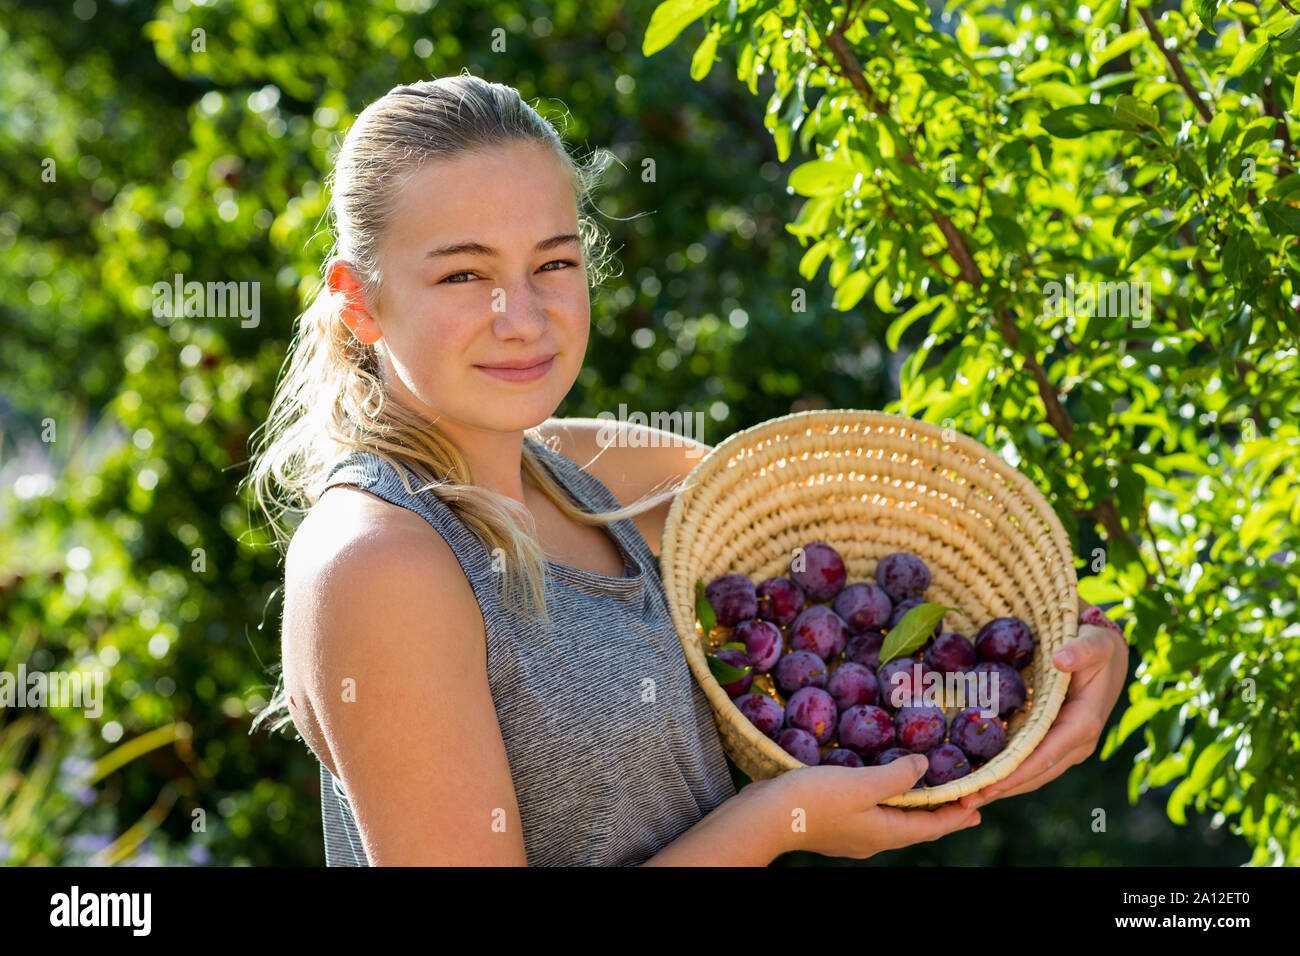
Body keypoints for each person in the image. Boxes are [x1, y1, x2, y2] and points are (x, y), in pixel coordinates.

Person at [245, 73, 1130, 866]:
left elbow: (902, 542)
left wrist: (1082, 651)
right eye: (463, 275)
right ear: (359, 300)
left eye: (553, 262)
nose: (523, 317)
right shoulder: (378, 562)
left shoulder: (578, 467)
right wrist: (775, 823)